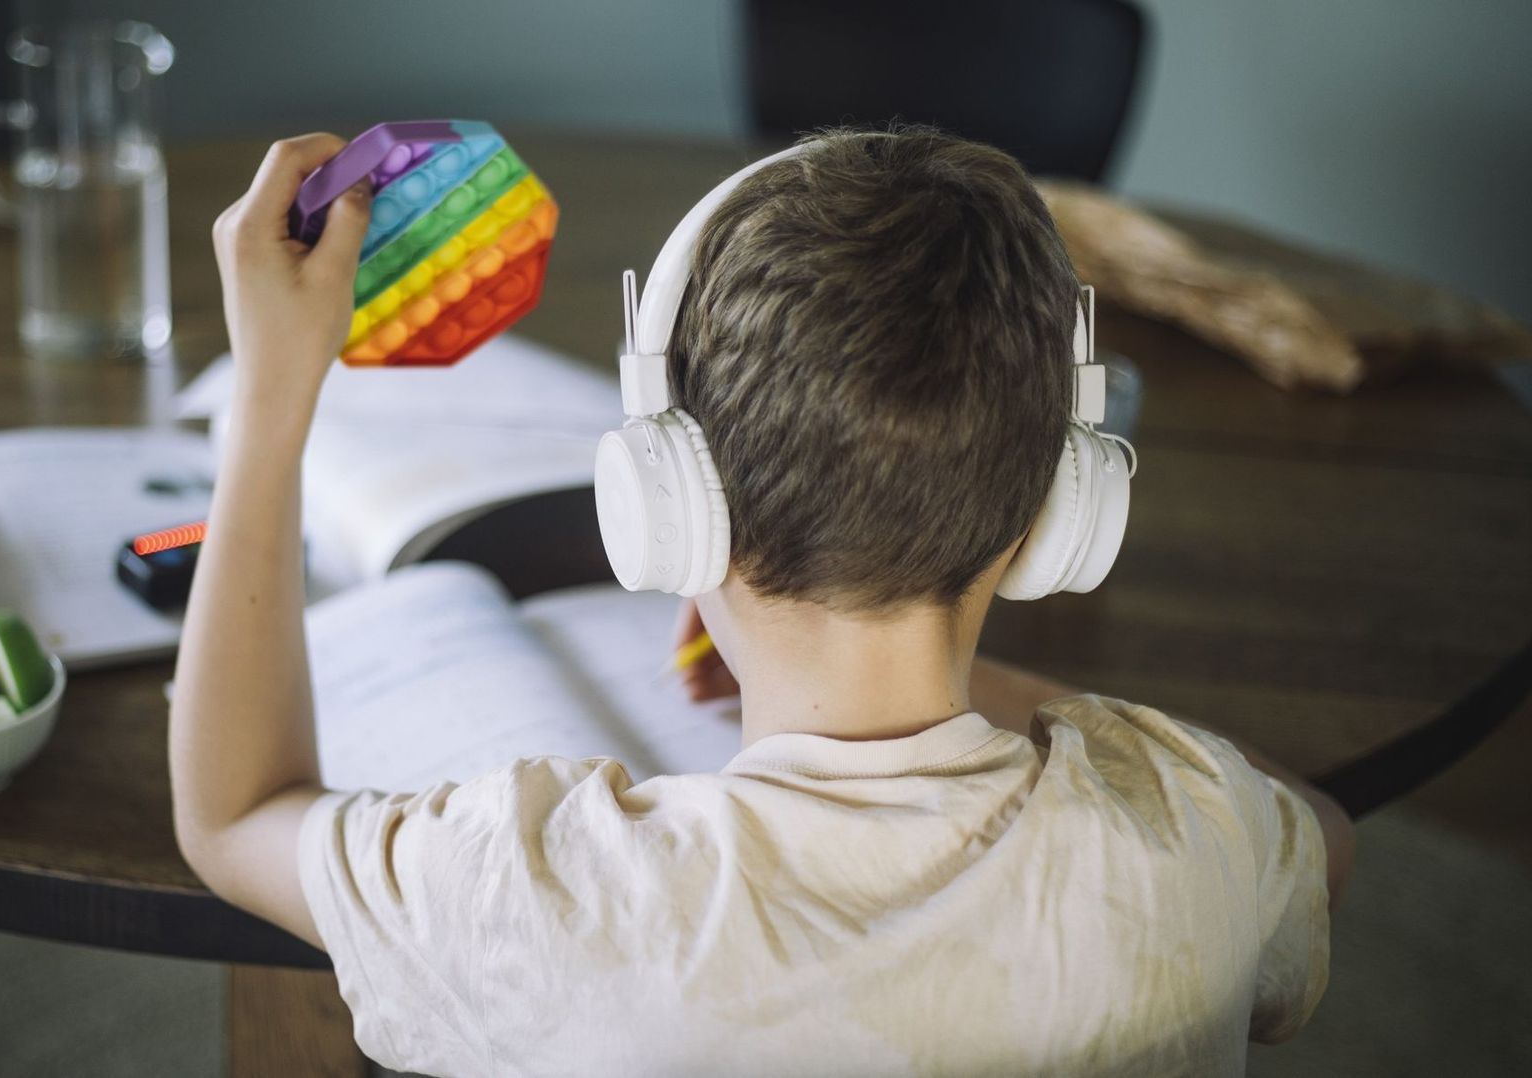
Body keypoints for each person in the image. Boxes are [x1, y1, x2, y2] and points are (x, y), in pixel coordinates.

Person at [169, 127, 1353, 1077]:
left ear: (668, 509)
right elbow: (1324, 839)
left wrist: (274, 397)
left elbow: (235, 813)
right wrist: (1011, 691)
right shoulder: (1198, 836)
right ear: (1059, 514)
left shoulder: (532, 901)